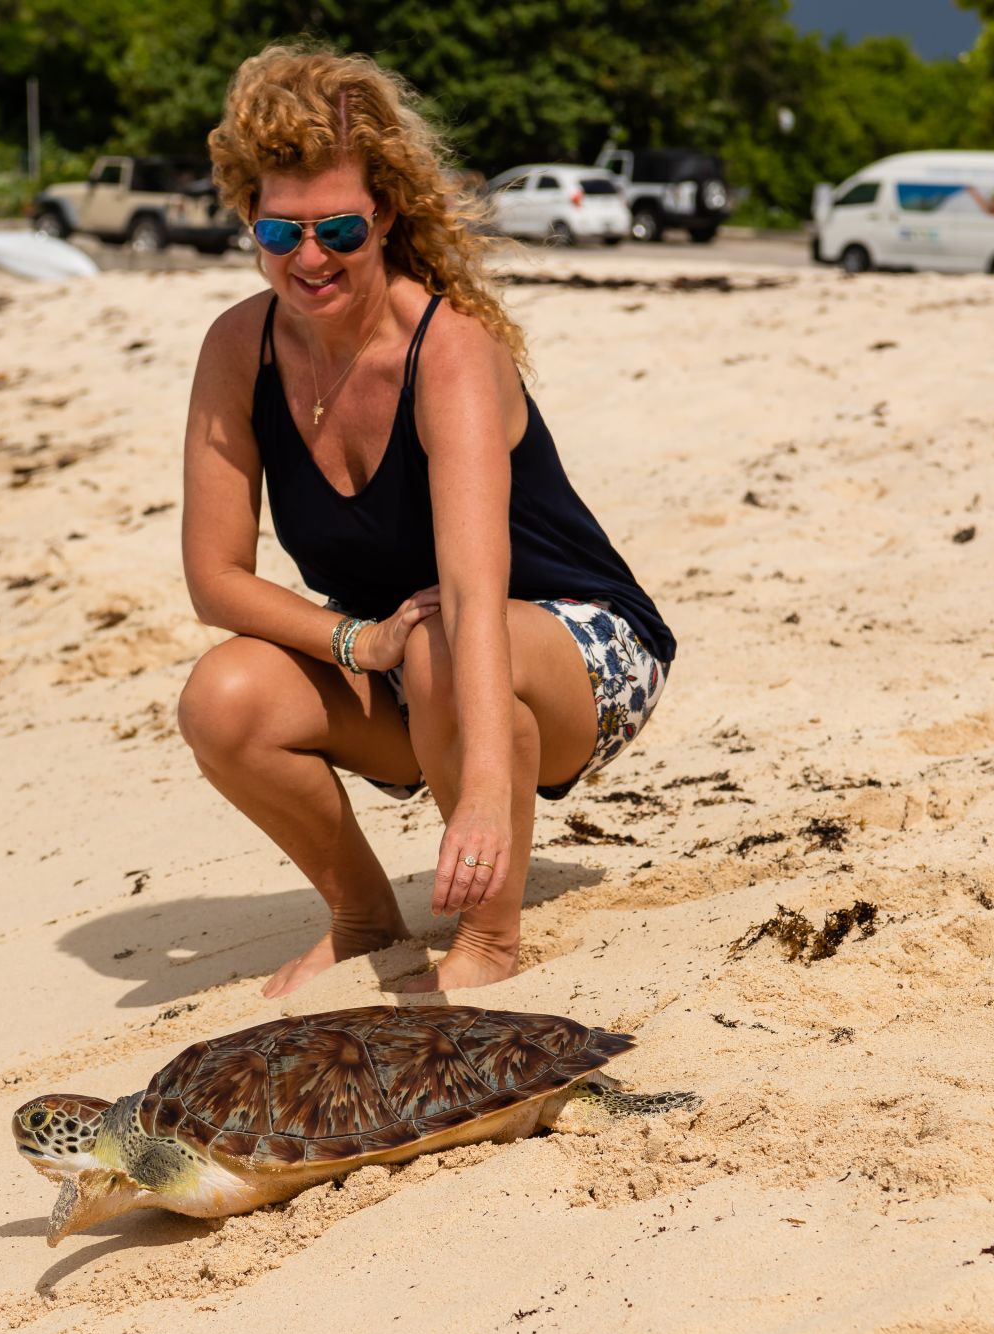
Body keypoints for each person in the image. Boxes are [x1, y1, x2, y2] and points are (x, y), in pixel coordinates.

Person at [177, 46, 678, 996]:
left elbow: (477, 588)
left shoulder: (448, 352)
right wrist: (353, 641)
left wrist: (486, 788)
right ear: (250, 220)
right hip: (412, 648)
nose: (310, 258)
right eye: (280, 231)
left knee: (445, 634)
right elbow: (217, 580)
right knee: (223, 697)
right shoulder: (238, 349)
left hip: (577, 645)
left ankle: (489, 940)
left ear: (387, 214)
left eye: (339, 230)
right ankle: (364, 918)